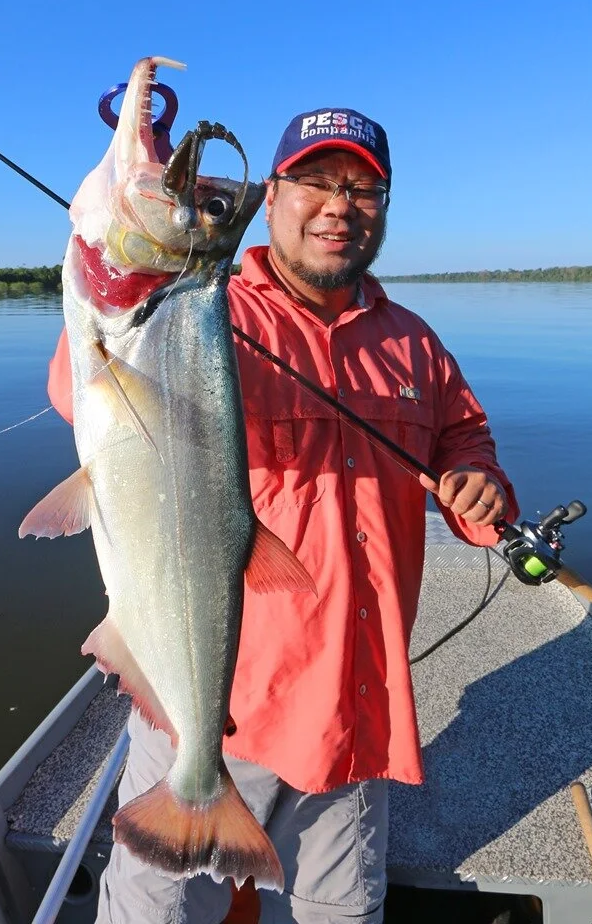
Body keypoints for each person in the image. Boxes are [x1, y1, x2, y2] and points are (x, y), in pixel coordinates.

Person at [47, 107, 519, 924]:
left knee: (340, 916)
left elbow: (465, 438)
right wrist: (148, 183)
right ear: (270, 198)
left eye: (364, 188)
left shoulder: (415, 343)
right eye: (315, 182)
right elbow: (77, 386)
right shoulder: (202, 310)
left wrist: (478, 482)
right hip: (212, 699)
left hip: (353, 714)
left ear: (384, 208)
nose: (340, 205)